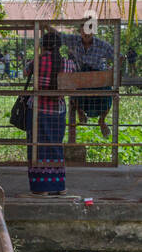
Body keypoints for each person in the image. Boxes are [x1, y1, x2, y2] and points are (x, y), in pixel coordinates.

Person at [25, 31, 66, 195]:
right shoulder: (65, 63)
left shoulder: (37, 61)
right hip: (58, 111)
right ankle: (58, 186)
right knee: (55, 145)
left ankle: (40, 188)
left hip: (37, 110)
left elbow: (25, 71)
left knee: (36, 146)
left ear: (42, 45)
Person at [64, 22, 114, 135]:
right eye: (84, 31)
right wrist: (47, 27)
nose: (86, 33)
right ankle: (80, 113)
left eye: (89, 31)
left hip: (98, 77)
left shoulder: (103, 45)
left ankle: (102, 120)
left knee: (109, 94)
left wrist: (113, 69)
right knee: (74, 94)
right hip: (82, 77)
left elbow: (118, 56)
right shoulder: (74, 41)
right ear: (80, 31)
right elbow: (59, 35)